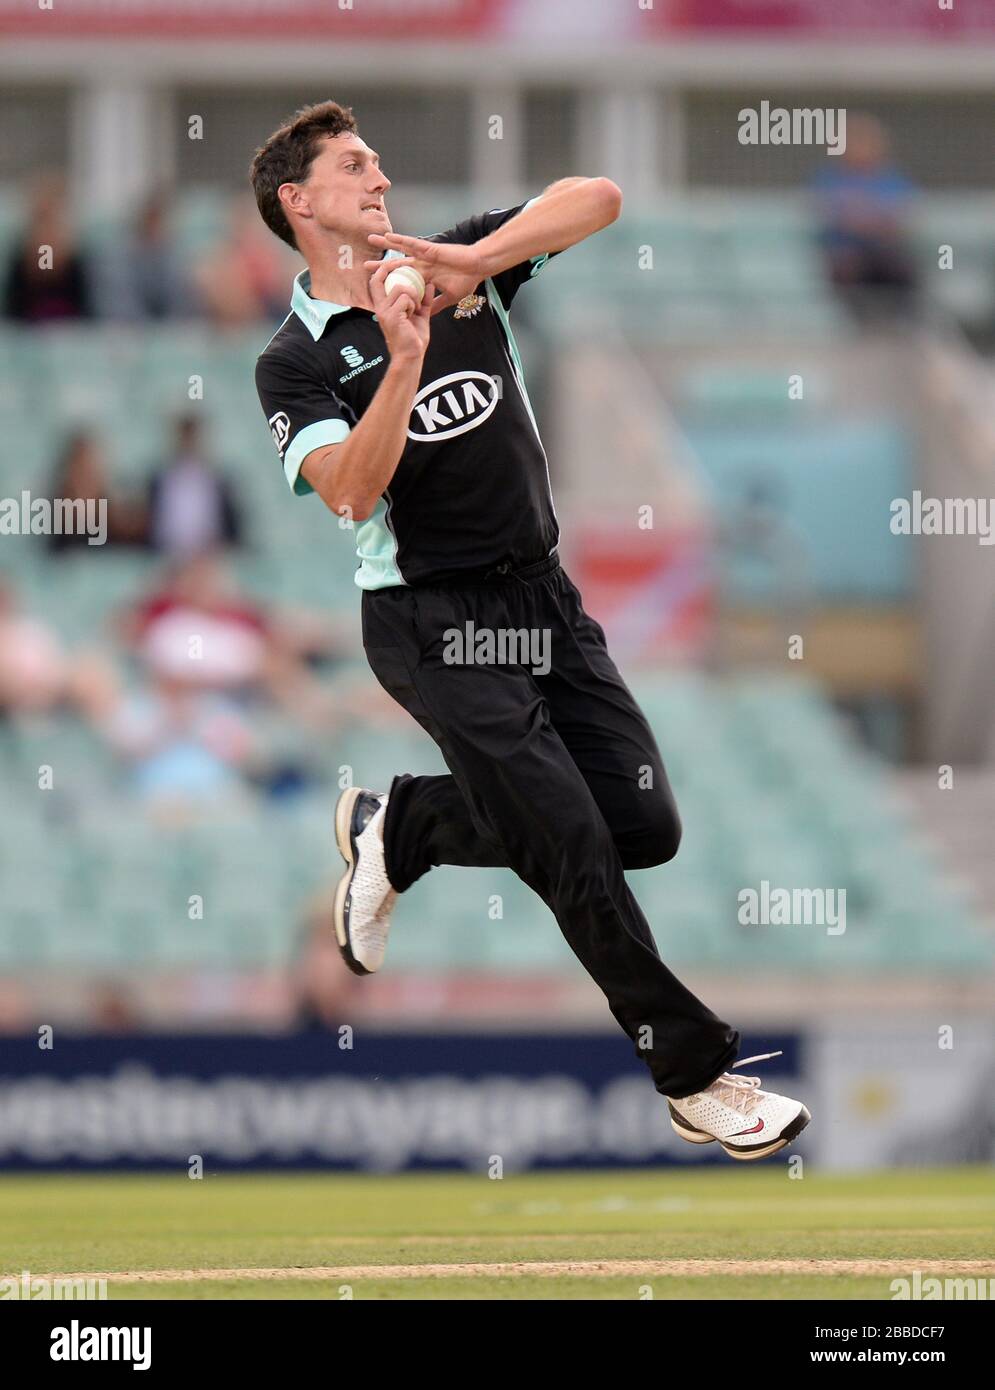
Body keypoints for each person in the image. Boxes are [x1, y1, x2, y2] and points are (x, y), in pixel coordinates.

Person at [251, 101, 810, 1161]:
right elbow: (349, 495)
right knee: (567, 839)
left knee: (642, 827)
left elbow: (594, 199)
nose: (378, 178)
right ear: (298, 201)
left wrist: (476, 261)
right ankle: (694, 1075)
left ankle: (407, 827)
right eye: (353, 166)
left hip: (543, 602)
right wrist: (404, 356)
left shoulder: (461, 259)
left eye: (376, 160)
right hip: (431, 617)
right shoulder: (294, 359)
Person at [812, 113, 918, 319]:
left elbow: (900, 218)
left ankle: (901, 325)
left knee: (902, 268)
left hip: (884, 253)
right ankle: (859, 325)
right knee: (849, 270)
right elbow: (836, 217)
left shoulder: (892, 179)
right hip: (844, 255)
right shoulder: (828, 178)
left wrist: (865, 221)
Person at [145, 416, 244, 557]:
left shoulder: (219, 482)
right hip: (166, 557)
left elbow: (233, 530)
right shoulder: (158, 480)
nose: (188, 442)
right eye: (185, 436)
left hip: (209, 559)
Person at [2, 174, 95, 323]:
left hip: (69, 330)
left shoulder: (75, 258)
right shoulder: (21, 257)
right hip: (28, 331)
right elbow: (14, 307)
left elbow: (85, 306)